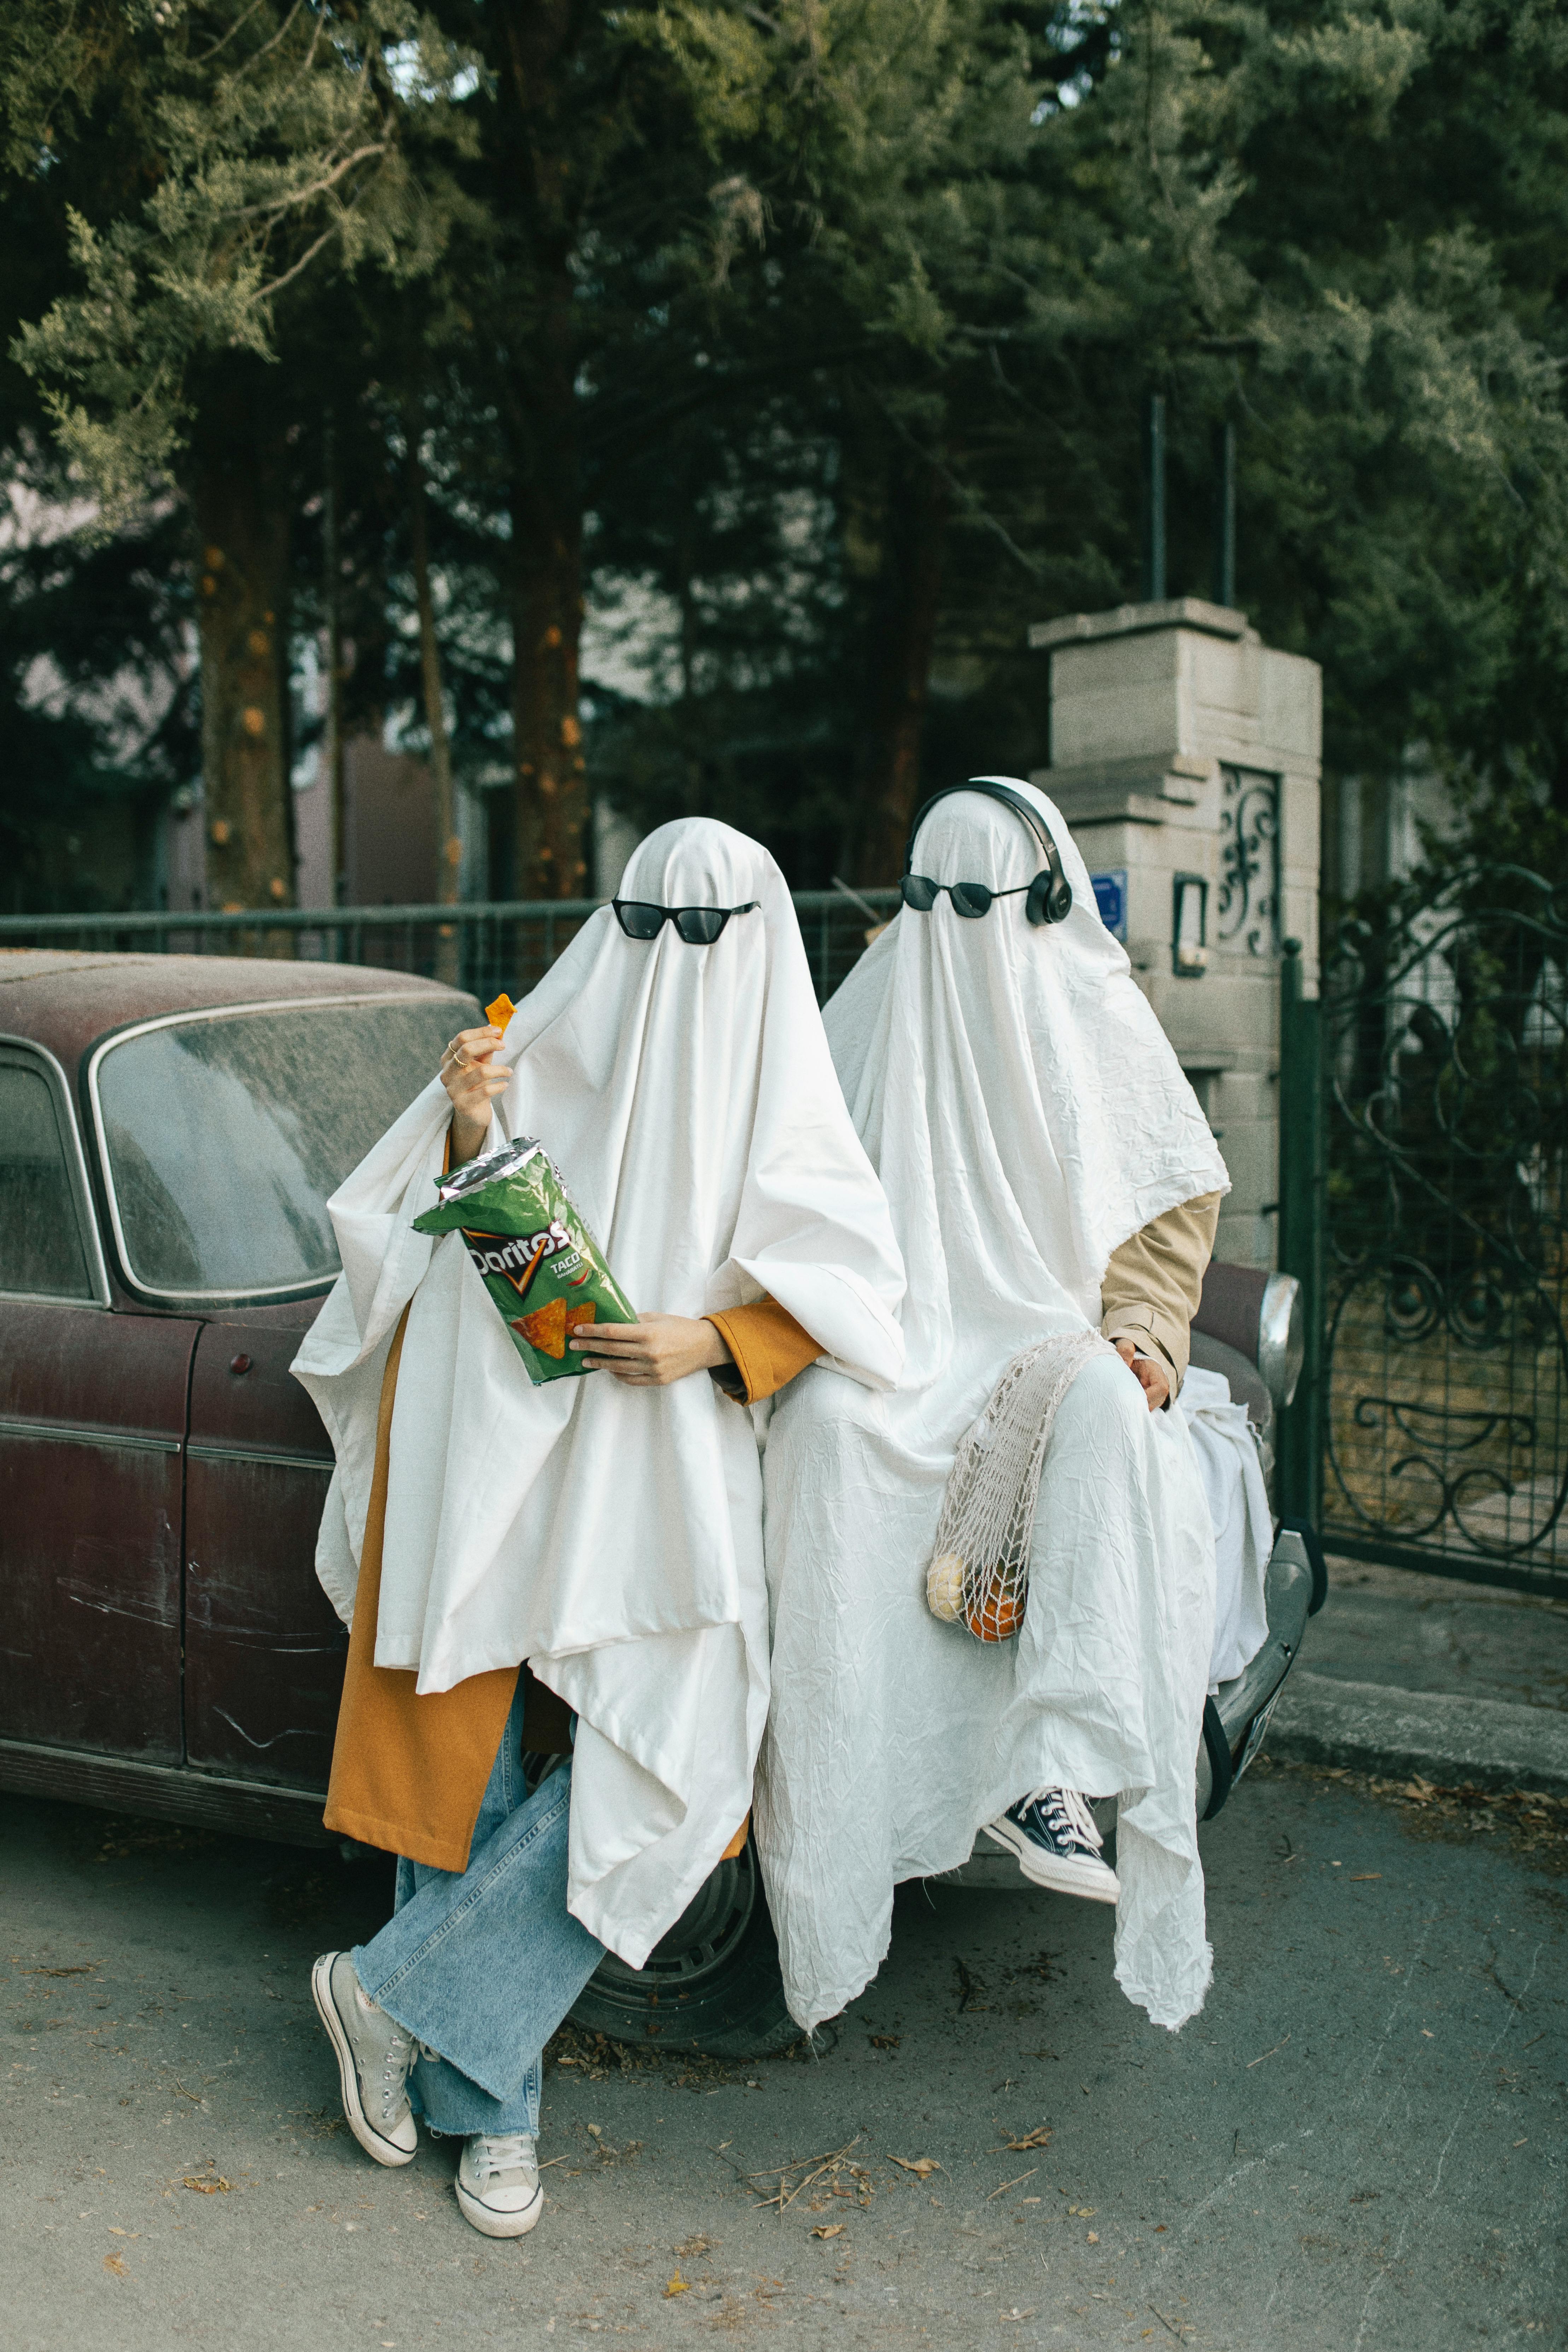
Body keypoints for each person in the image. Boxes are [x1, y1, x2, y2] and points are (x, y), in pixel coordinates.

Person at [292, 817, 904, 2236]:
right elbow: (430, 1231)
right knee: (469, 1748)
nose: (670, 962)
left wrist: (714, 1335)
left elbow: (856, 1290)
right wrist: (465, 1124)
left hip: (661, 1472)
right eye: (643, 922)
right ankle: (490, 2117)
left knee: (680, 1752)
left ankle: (393, 1999)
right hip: (496, 1448)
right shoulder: (545, 1039)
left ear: (755, 942)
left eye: (706, 932)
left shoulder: (784, 1085)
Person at [756, 778, 1230, 2037]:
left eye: (980, 901)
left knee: (1103, 1418)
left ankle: (1050, 1773)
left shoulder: (1098, 1013)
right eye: (931, 900)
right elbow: (794, 1188)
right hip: (896, 1351)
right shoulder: (874, 1003)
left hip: (1048, 1342)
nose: (952, 925)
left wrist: (1142, 1338)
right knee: (821, 1441)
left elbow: (1168, 1202)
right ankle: (845, 1810)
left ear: (1042, 900)